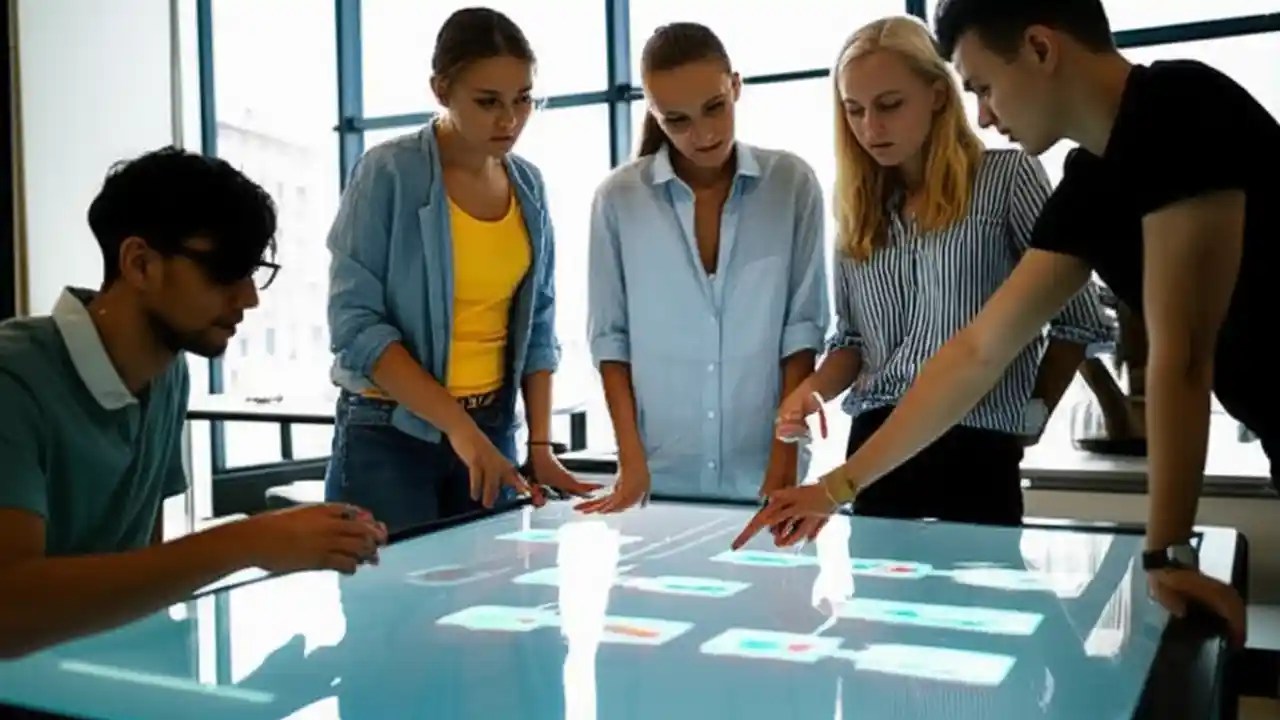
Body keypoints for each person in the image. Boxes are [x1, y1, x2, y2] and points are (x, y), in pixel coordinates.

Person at [737, 0, 1271, 646]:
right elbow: (978, 351)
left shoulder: (1177, 105)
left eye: (984, 87)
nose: (984, 115)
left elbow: (1183, 355)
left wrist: (1164, 553)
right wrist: (834, 486)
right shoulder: (1090, 184)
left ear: (1041, 49)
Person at [0, 147, 387, 659]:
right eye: (225, 270)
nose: (249, 297)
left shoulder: (167, 373)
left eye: (253, 271)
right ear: (140, 263)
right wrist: (247, 541)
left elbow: (142, 578)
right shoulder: (13, 379)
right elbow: (10, 608)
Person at [770, 16, 1110, 537]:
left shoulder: (1007, 178)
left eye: (889, 105)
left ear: (935, 94)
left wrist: (1031, 415)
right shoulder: (857, 207)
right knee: (883, 610)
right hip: (873, 449)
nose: (870, 128)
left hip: (977, 444)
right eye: (854, 110)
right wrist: (812, 391)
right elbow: (855, 341)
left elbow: (1079, 320)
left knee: (987, 612)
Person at [325, 7, 597, 535]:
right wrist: (460, 431)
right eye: (488, 102)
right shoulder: (388, 172)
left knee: (496, 611)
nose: (510, 120)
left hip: (492, 429)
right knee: (393, 614)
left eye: (523, 99)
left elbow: (538, 324)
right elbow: (355, 327)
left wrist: (538, 446)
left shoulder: (529, 185)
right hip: (389, 435)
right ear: (441, 90)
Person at [578, 22, 830, 512]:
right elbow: (610, 342)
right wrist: (631, 466)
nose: (704, 133)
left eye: (715, 107)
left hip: (768, 483)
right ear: (653, 114)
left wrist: (784, 458)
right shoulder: (618, 199)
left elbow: (802, 332)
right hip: (655, 486)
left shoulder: (792, 184)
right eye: (678, 120)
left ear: (735, 86)